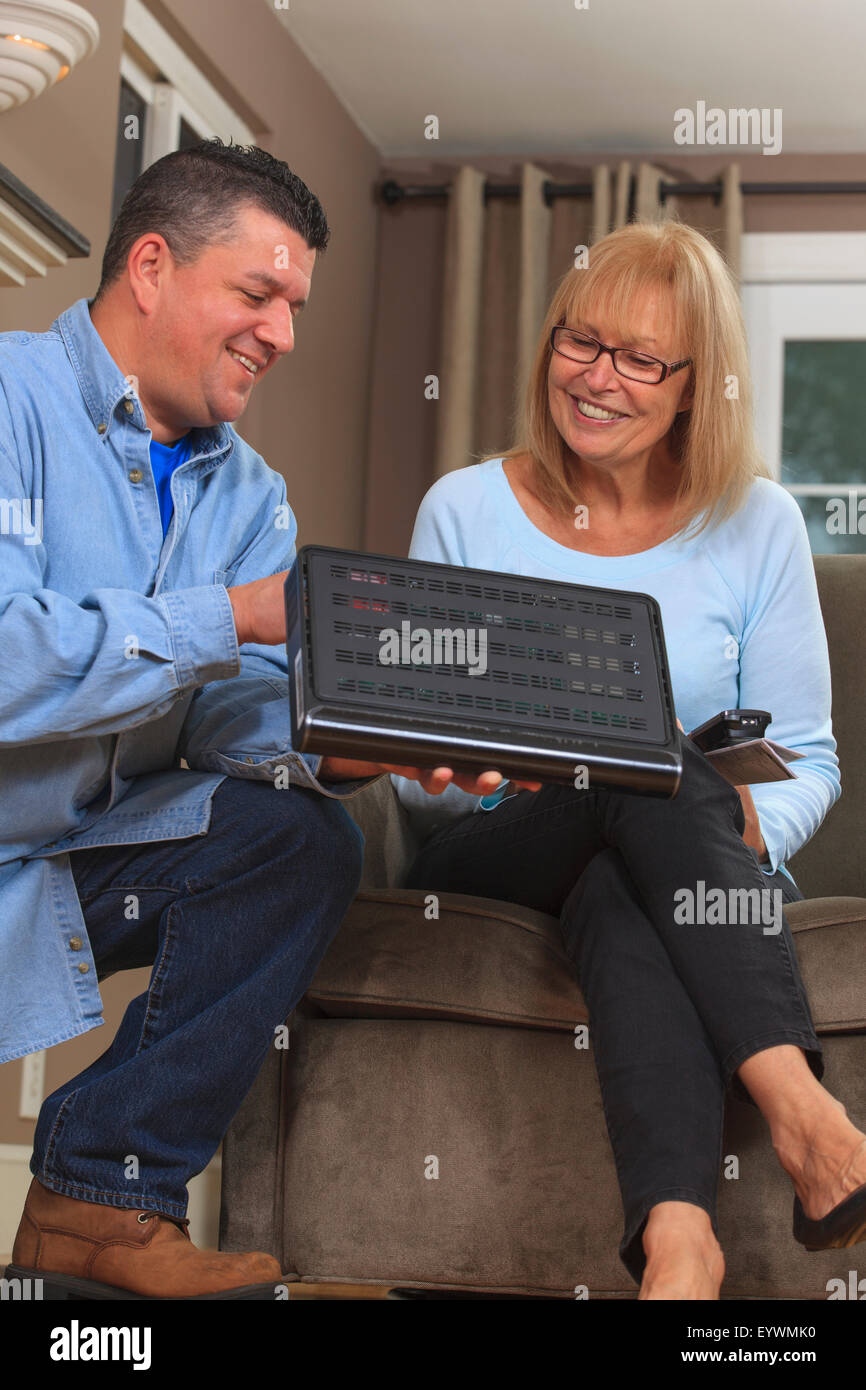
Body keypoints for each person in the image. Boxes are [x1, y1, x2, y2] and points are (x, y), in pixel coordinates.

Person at [1, 139, 516, 1300]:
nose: (282, 334)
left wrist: (369, 746)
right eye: (257, 294)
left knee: (294, 832)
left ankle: (98, 1198)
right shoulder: (7, 402)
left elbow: (240, 731)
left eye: (294, 305)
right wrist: (228, 615)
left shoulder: (249, 495)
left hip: (73, 859)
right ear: (148, 267)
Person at [393, 219, 866, 1299]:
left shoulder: (756, 525)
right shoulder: (462, 508)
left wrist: (744, 822)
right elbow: (412, 773)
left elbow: (806, 759)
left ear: (694, 386)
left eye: (641, 358)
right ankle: (802, 1113)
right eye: (580, 343)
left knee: (623, 871)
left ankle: (677, 1245)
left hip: (679, 858)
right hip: (497, 847)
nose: (598, 379)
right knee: (633, 738)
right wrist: (431, 771)